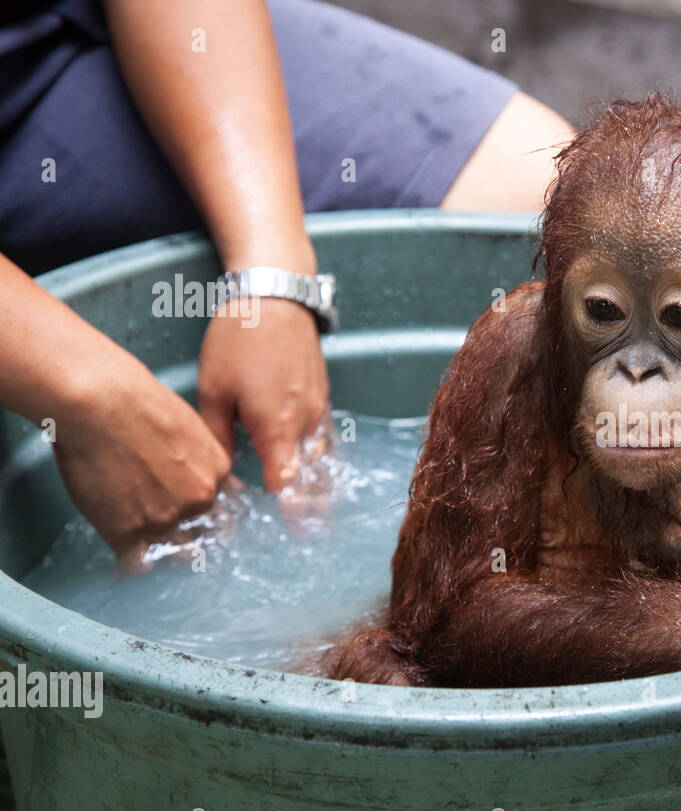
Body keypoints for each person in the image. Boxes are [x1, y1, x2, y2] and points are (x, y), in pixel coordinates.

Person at [0, 0, 572, 557]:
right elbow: (80, 391)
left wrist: (269, 272)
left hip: (49, 45)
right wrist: (85, 393)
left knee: (538, 198)